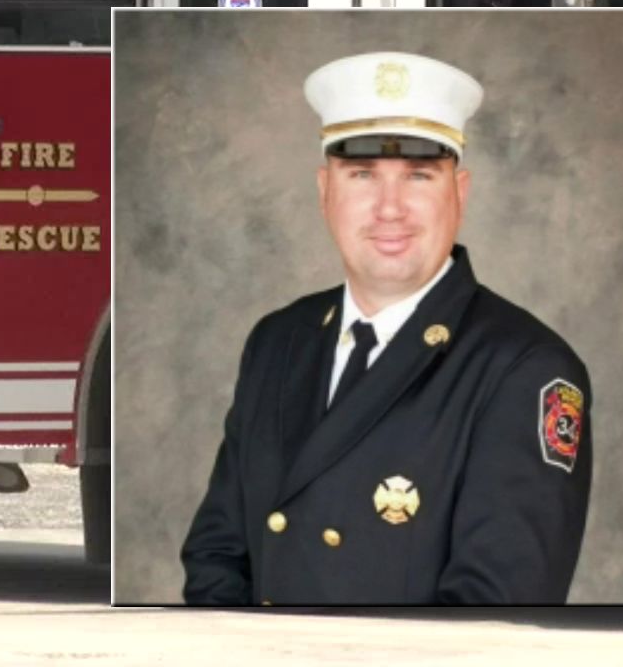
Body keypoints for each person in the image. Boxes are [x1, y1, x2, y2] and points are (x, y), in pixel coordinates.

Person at [180, 51, 592, 605]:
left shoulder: (527, 370)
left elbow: (499, 609)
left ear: (460, 194)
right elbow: (216, 555)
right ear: (325, 192)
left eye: (419, 176)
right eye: (363, 176)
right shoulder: (278, 342)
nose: (389, 208)